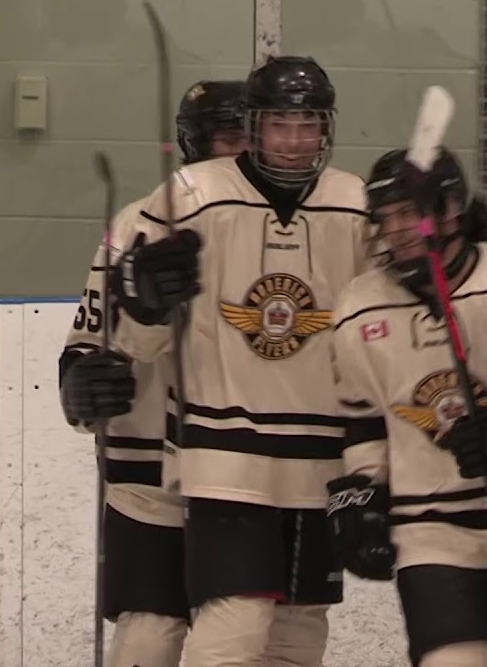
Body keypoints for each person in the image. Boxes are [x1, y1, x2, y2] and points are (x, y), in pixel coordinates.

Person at [107, 55, 376, 667]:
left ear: (326, 127)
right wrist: (146, 308)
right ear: (255, 126)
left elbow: (378, 336)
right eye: (280, 123)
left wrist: (374, 466)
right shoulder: (189, 196)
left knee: (299, 635)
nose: (294, 139)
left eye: (307, 123)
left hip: (321, 464)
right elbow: (136, 344)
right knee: (233, 624)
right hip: (223, 453)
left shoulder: (355, 203)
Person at [326, 147, 487, 667]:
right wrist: (364, 493)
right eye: (386, 218)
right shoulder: (358, 309)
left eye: (408, 213)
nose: (395, 230)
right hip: (433, 532)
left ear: (451, 211)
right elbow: (364, 416)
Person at [57, 79, 247, 667]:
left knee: (255, 637)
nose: (237, 152)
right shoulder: (136, 224)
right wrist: (81, 388)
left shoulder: (291, 230)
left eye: (247, 136)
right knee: (148, 636)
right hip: (150, 473)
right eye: (225, 136)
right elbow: (89, 345)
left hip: (255, 470)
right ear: (194, 142)